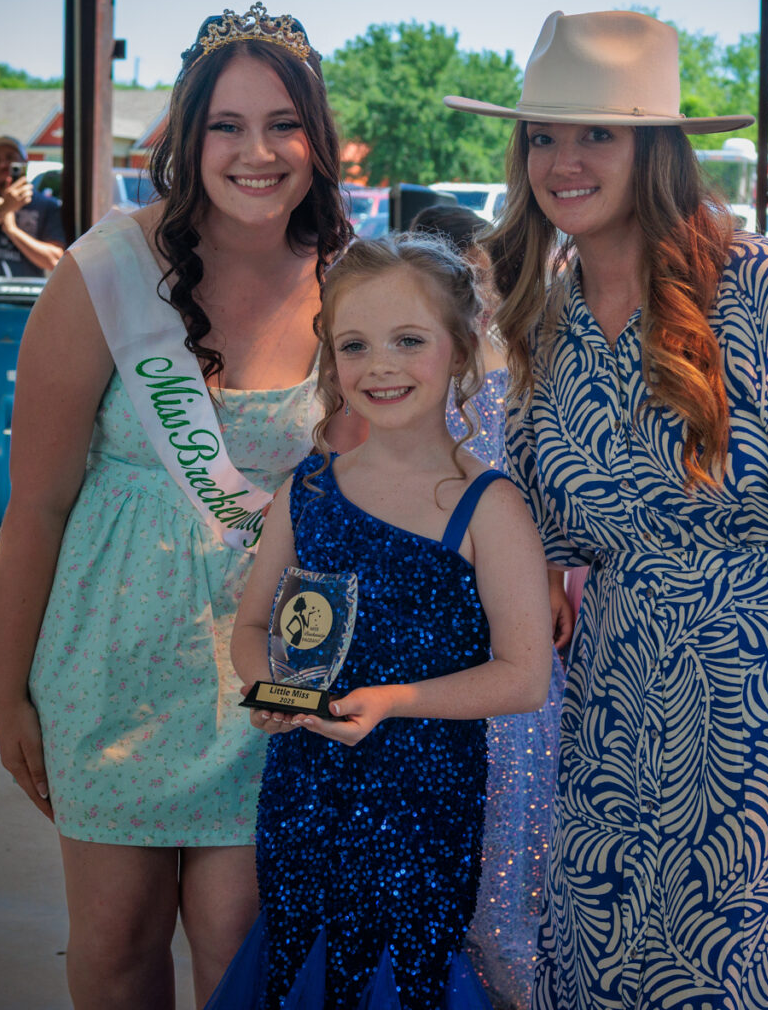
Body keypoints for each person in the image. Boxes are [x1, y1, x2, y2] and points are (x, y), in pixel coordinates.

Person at [445, 9, 768, 1009]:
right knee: (597, 971)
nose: (560, 160)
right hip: (613, 707)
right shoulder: (549, 313)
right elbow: (529, 526)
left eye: (594, 133)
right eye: (542, 135)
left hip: (767, 713)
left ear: (651, 148)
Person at [0, 4, 360, 1010]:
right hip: (108, 665)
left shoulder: (354, 283)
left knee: (245, 950)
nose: (256, 151)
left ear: (316, 140)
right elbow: (37, 507)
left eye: (282, 123)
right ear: (186, 139)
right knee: (111, 952)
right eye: (225, 125)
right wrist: (7, 688)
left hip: (271, 671)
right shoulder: (105, 272)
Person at [205, 233, 553, 1009]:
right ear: (330, 359)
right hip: (303, 796)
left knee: (400, 975)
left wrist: (395, 702)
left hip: (419, 808)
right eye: (354, 345)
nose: (380, 365)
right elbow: (254, 623)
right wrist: (270, 688)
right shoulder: (312, 487)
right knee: (302, 962)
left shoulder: (486, 507)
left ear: (460, 351)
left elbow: (523, 677)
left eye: (408, 341)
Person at [410, 202, 569, 1009]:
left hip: (511, 650)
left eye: (479, 273)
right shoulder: (409, 380)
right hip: (430, 642)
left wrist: (549, 572)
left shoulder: (527, 369)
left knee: (513, 846)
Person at [0, 134, 64, 276]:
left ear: (24, 162)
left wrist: (12, 230)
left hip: (26, 295)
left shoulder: (47, 206)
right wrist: (2, 210)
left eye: (10, 158)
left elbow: (55, 260)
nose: (3, 164)